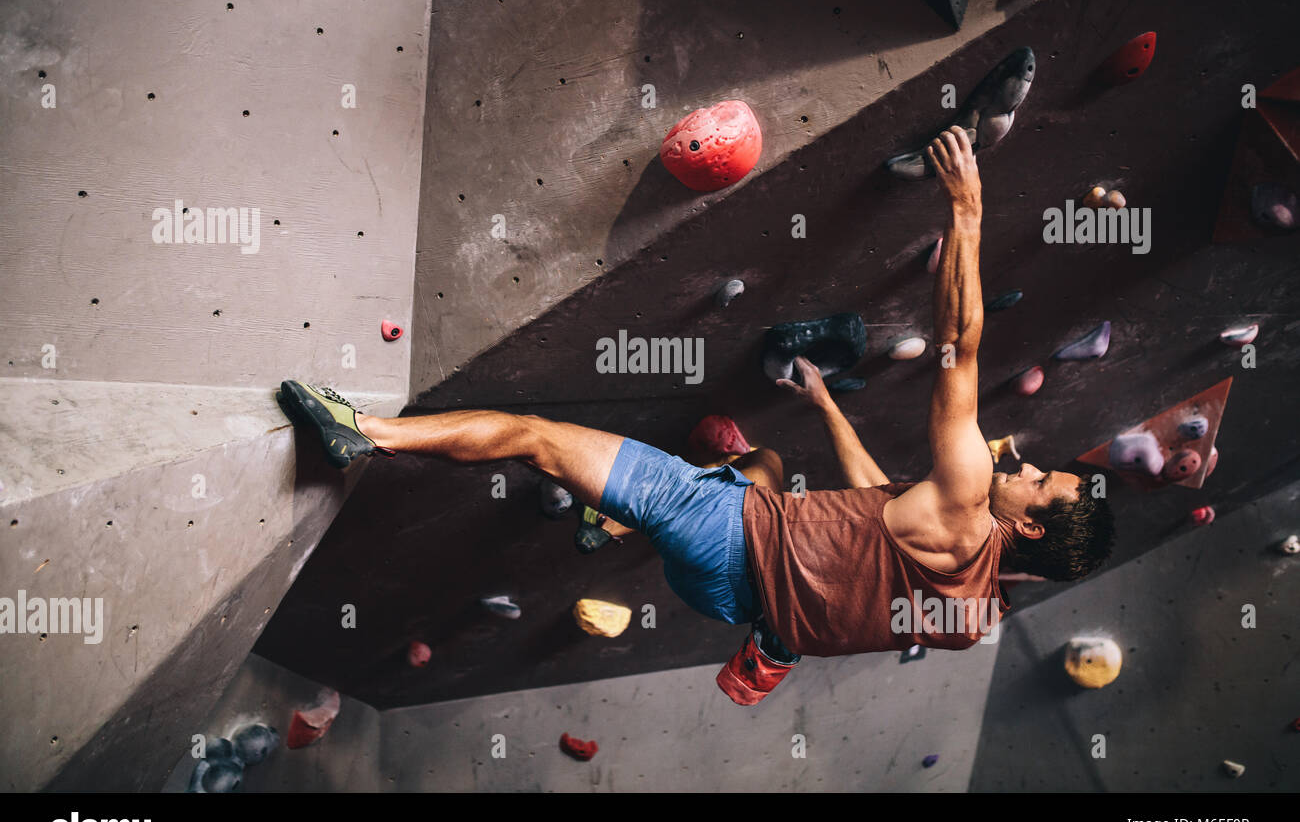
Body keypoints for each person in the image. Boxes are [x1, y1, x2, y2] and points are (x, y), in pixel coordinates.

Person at [276, 126, 1114, 707]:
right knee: (773, 468)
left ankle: (368, 434)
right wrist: (825, 402)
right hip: (726, 604)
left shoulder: (968, 496)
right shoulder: (975, 618)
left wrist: (966, 210)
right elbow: (877, 499)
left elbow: (959, 349)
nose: (1023, 469)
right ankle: (659, 556)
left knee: (537, 440)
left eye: (1038, 485)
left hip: (718, 533)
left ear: (1032, 532)